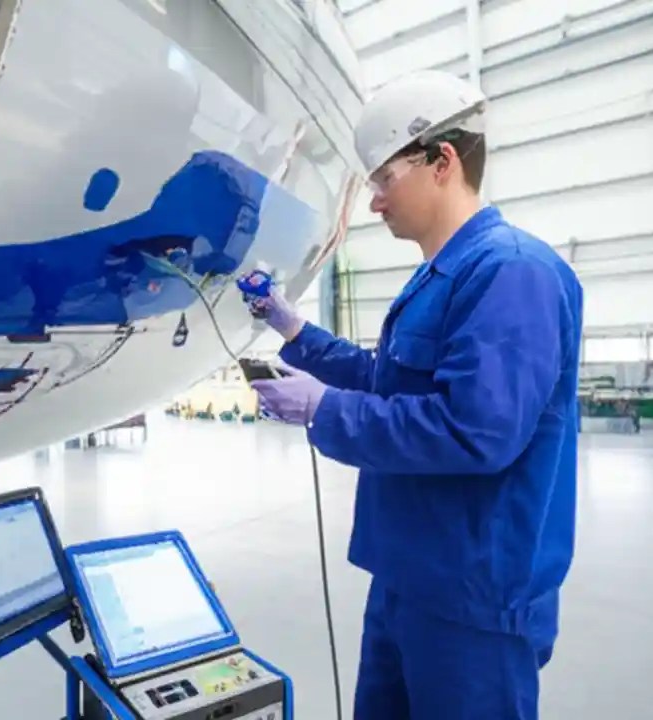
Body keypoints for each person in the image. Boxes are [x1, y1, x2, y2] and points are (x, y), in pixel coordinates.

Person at [243, 70, 584, 719]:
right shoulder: (443, 276)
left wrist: (323, 408)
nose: (374, 203)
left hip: (474, 601)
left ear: (442, 161)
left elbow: (474, 431)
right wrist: (292, 329)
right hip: (408, 579)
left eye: (383, 180)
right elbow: (388, 380)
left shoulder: (513, 273)